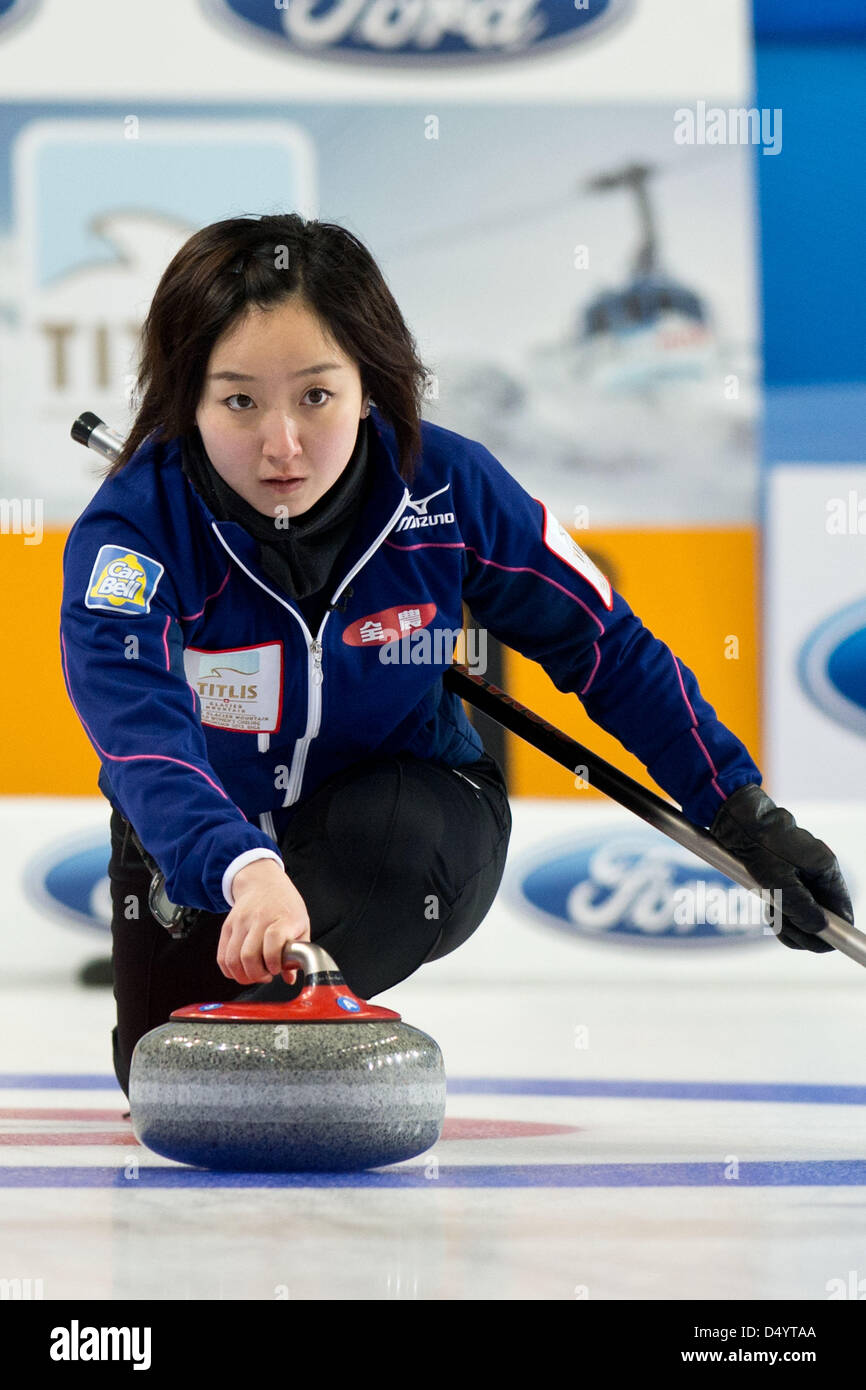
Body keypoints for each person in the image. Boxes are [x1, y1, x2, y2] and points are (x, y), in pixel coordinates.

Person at [59, 213, 854, 1101]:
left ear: (372, 383)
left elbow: (607, 648)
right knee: (167, 1074)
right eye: (239, 400)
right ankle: (257, 986)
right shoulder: (133, 534)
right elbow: (140, 736)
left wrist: (739, 809)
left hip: (406, 817)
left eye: (316, 396)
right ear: (187, 399)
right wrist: (241, 868)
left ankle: (296, 995)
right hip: (199, 844)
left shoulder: (449, 488)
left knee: (317, 943)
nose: (282, 444)